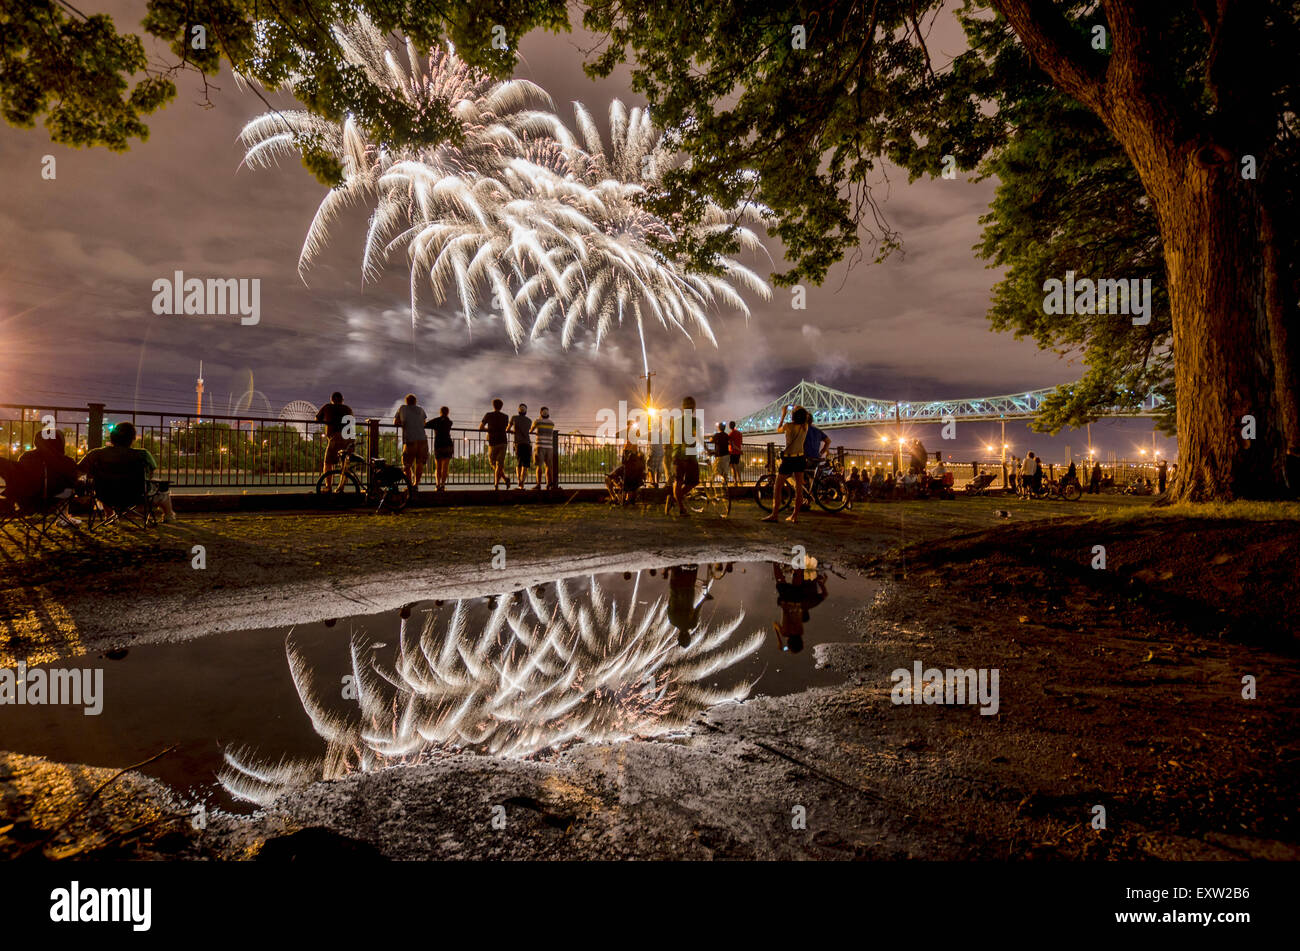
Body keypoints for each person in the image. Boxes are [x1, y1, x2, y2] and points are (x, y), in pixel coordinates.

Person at [78, 422, 177, 522]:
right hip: (135, 496)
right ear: (133, 438)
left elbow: (79, 469)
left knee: (106, 484)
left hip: (105, 495)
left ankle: (110, 515)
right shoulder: (143, 454)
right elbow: (151, 473)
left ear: (112, 438)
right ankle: (169, 515)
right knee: (162, 489)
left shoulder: (96, 454)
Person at [19, 430, 83, 526]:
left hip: (28, 499)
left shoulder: (25, 457)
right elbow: (73, 481)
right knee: (69, 489)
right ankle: (63, 518)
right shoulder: (67, 461)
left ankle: (63, 518)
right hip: (52, 499)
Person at [762, 404, 808, 523]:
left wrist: (783, 414)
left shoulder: (788, 426)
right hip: (800, 458)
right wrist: (798, 408)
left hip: (788, 459)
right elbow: (804, 415)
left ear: (793, 416)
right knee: (799, 488)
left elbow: (778, 429)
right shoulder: (805, 426)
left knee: (777, 487)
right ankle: (794, 516)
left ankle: (774, 515)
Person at [665, 396, 702, 517]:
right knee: (694, 481)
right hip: (690, 455)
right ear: (694, 408)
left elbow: (672, 439)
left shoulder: (676, 422)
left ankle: (676, 500)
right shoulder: (695, 421)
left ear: (683, 407)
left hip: (678, 454)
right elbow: (697, 437)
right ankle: (677, 503)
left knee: (679, 480)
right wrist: (707, 449)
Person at [316, 391, 354, 492]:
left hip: (336, 437)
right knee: (345, 464)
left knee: (328, 462)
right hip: (349, 437)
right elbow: (351, 424)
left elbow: (317, 419)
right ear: (342, 400)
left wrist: (326, 420)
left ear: (331, 400)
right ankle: (341, 488)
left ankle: (328, 487)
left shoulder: (328, 407)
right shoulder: (348, 409)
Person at [393, 394, 428, 492]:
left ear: (406, 401)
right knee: (419, 463)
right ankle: (416, 484)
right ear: (415, 401)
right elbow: (424, 423)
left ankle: (409, 485)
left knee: (407, 464)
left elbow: (395, 422)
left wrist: (404, 423)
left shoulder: (402, 408)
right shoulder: (421, 409)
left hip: (410, 440)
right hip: (422, 439)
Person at [666, 564, 702, 647]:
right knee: (677, 565)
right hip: (675, 588)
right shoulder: (672, 621)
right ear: (679, 636)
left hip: (688, 588)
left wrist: (705, 599)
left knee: (692, 565)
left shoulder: (692, 624)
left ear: (688, 637)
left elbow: (697, 609)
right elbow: (669, 604)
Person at [479, 398, 511, 490]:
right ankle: (502, 481)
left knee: (493, 463)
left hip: (493, 442)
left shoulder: (488, 415)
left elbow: (481, 427)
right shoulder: (505, 416)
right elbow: (505, 428)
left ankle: (498, 484)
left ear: (493, 406)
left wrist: (489, 430)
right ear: (501, 406)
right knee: (499, 465)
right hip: (503, 442)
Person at [425, 406, 454, 491]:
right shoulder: (450, 422)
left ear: (440, 412)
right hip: (448, 444)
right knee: (445, 467)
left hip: (439, 445)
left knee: (438, 467)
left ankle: (437, 485)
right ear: (448, 413)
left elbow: (426, 425)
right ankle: (443, 485)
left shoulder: (436, 420)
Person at [530, 407, 556, 489]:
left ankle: (538, 484)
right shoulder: (551, 423)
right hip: (549, 447)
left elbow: (531, 430)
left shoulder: (537, 421)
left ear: (540, 413)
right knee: (548, 466)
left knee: (539, 466)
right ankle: (549, 484)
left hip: (540, 446)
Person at [508, 403, 532, 490]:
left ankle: (519, 482)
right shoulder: (529, 420)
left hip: (518, 444)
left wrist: (513, 431)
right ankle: (522, 485)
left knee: (518, 464)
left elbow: (508, 429)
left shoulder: (514, 418)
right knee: (525, 465)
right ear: (526, 412)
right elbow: (527, 430)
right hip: (527, 443)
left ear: (518, 410)